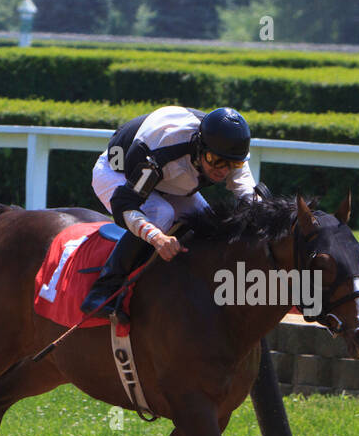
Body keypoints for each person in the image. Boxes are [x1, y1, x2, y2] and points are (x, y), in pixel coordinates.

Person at [80, 105, 257, 319]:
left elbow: (252, 201)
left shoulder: (230, 153)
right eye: (216, 161)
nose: (224, 170)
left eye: (233, 164)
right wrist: (156, 237)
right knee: (161, 215)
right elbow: (125, 205)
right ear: (200, 147)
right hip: (120, 175)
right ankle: (104, 289)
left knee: (206, 222)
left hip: (168, 179)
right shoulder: (161, 151)